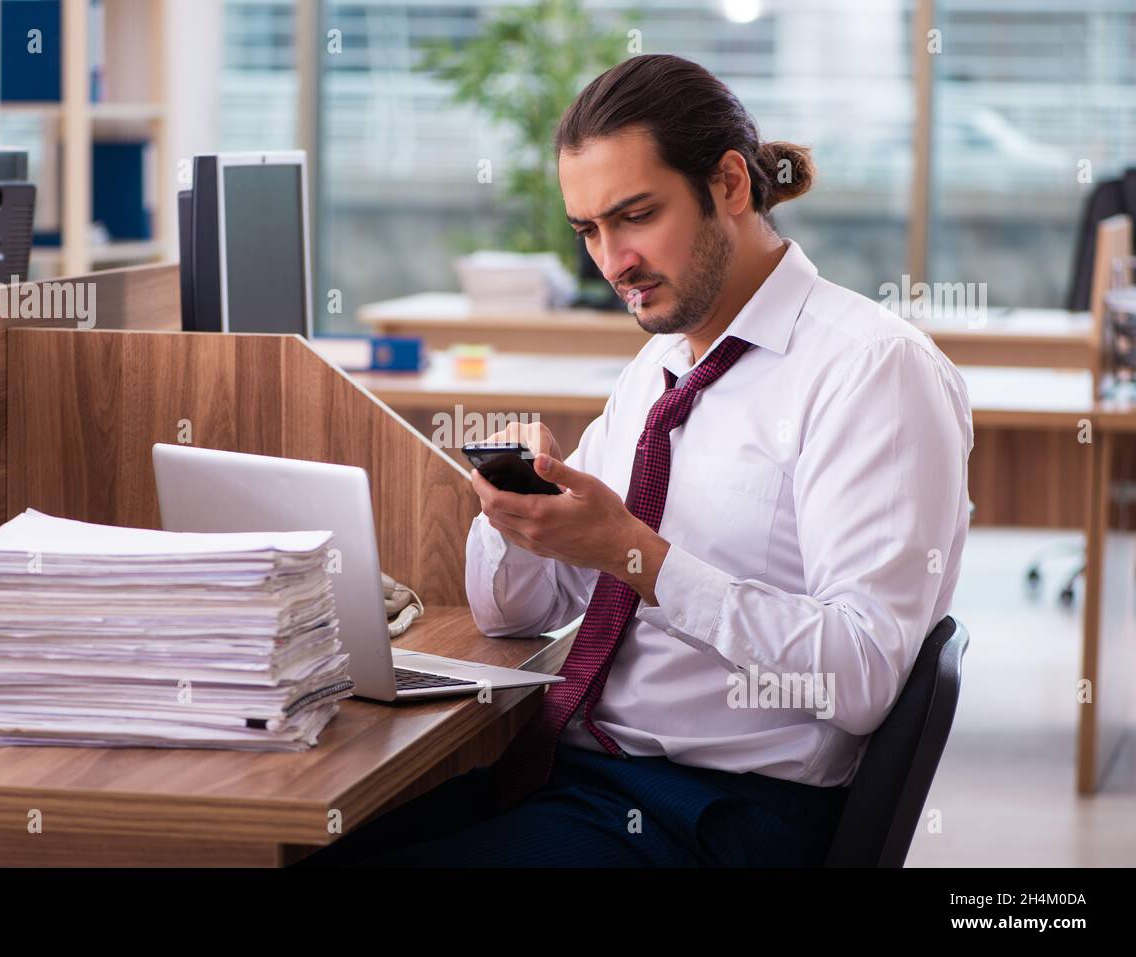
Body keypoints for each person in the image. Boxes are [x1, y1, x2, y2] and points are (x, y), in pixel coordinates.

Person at [299, 53, 972, 868]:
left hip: (722, 815)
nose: (613, 262)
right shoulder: (656, 371)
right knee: (301, 849)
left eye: (635, 216)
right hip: (579, 777)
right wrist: (519, 519)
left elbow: (862, 676)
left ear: (729, 183)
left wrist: (635, 554)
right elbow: (515, 615)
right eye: (588, 230)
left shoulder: (874, 371)